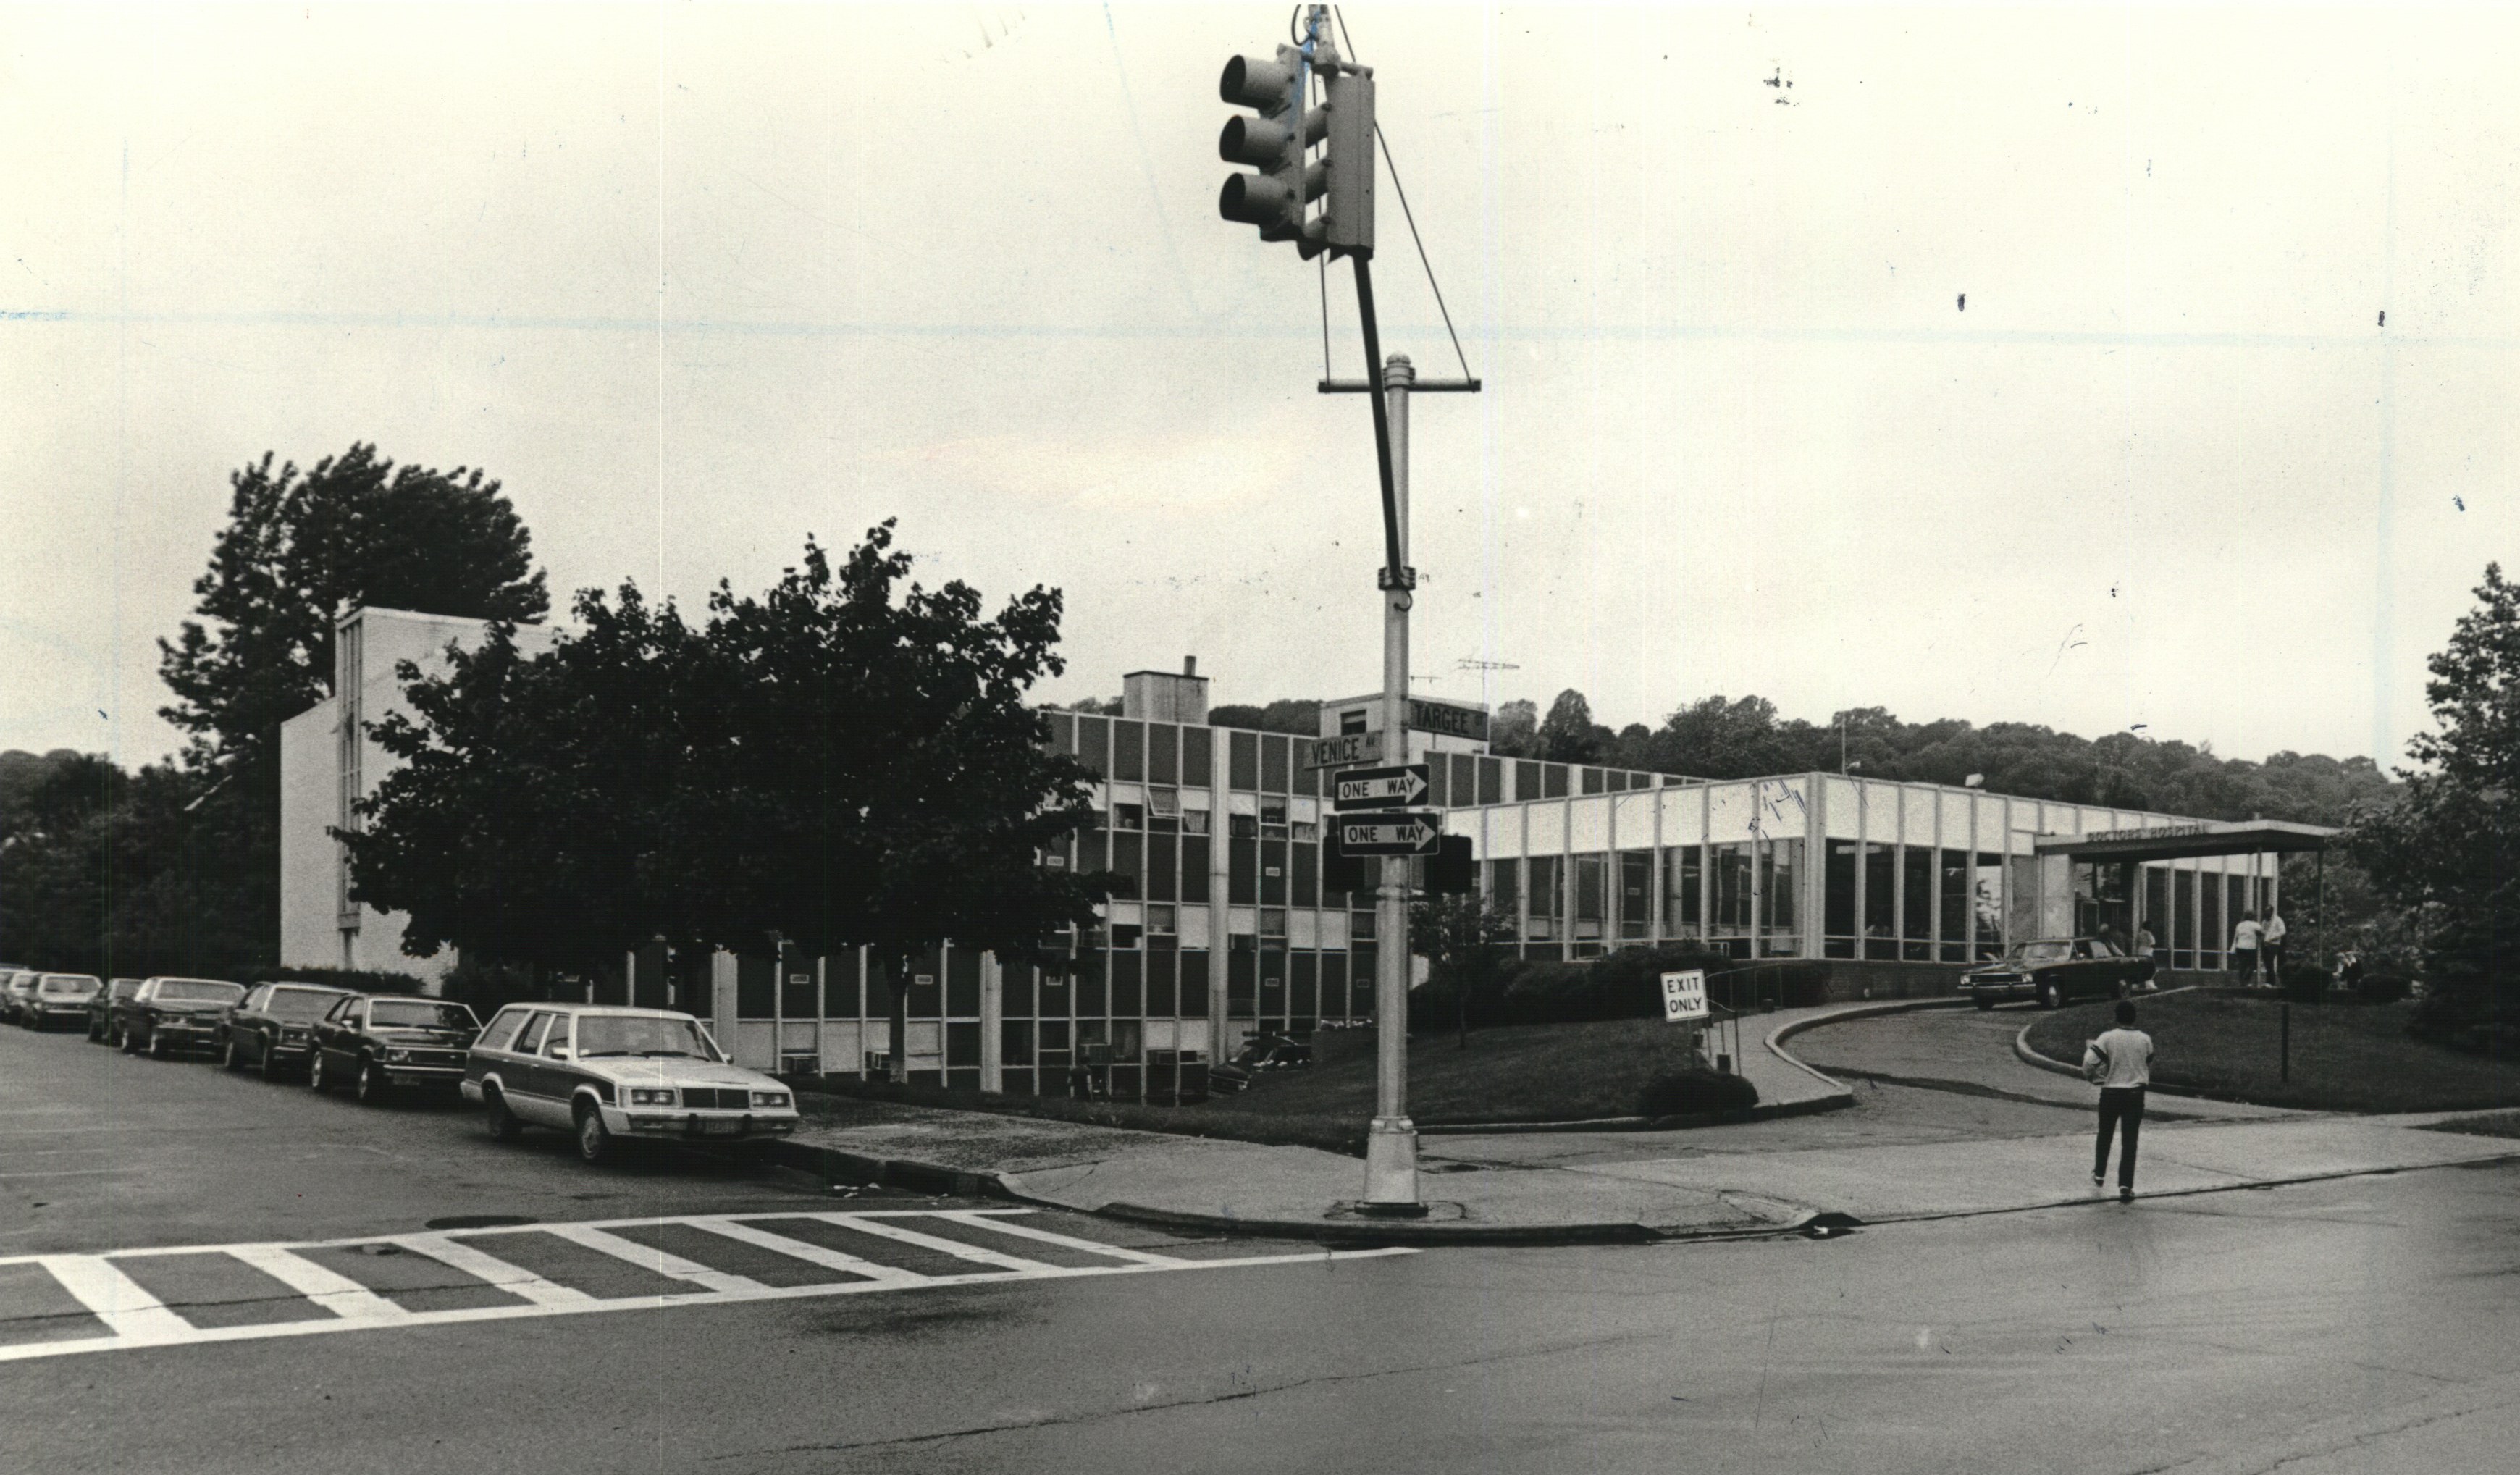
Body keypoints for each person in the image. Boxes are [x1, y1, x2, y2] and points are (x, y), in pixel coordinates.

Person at [2083, 1000, 2154, 1203]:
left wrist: (2093, 1078)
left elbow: (2089, 1063)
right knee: (2130, 1140)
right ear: (2134, 1018)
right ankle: (2126, 1185)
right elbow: (2148, 1062)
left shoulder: (2107, 1038)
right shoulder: (2145, 1040)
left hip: (2111, 1093)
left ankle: (2099, 1174)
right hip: (2135, 1095)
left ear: (2116, 1017)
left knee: (2105, 1134)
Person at [2229, 912, 2262, 985]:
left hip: (2240, 946)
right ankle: (2247, 977)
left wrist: (2233, 948)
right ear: (2253, 917)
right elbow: (2261, 933)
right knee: (2252, 964)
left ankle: (2242, 981)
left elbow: (2236, 937)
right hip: (2251, 947)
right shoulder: (2255, 925)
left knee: (2242, 965)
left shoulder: (2240, 925)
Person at [2261, 909, 2287, 983]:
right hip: (2267, 944)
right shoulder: (2265, 921)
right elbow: (2264, 930)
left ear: (2271, 913)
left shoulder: (2278, 920)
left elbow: (2283, 931)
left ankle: (2275, 981)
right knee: (2267, 963)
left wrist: (2272, 938)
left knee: (2274, 961)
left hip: (2275, 944)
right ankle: (2270, 981)